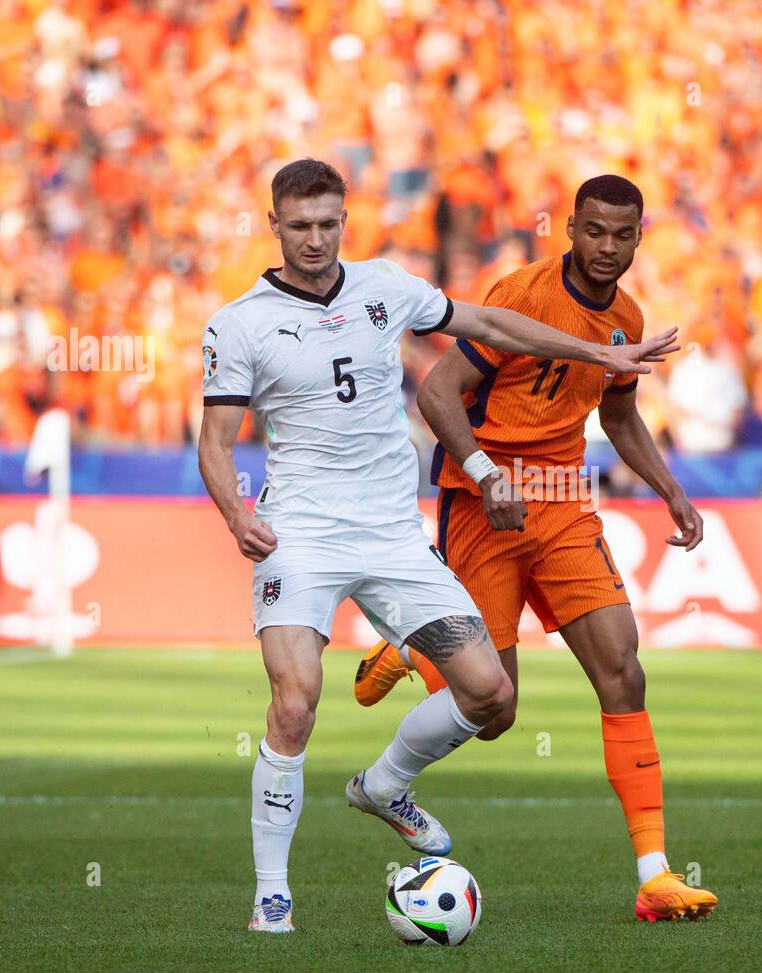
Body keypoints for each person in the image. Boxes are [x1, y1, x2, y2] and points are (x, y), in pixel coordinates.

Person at [197, 160, 678, 934]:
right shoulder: (240, 322)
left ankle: (384, 787)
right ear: (275, 227)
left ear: (343, 221)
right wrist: (234, 514)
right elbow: (215, 443)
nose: (315, 240)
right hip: (301, 537)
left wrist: (601, 355)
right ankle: (272, 894)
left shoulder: (385, 287)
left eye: (328, 224)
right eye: (300, 226)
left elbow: (489, 326)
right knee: (295, 702)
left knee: (491, 695)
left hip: (393, 534)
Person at [353, 176, 718, 922]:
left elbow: (619, 419)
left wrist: (669, 489)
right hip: (482, 501)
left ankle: (655, 875)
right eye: (593, 232)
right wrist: (486, 474)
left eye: (621, 235)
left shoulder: (625, 319)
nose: (607, 248)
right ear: (572, 230)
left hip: (561, 504)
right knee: (495, 711)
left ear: (639, 237)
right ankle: (415, 648)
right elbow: (435, 393)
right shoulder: (522, 296)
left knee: (624, 668)